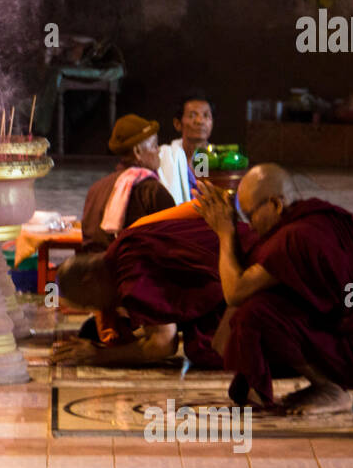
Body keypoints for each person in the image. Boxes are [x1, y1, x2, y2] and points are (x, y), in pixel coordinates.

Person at [193, 164, 353, 415]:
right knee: (254, 308)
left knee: (255, 314)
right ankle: (319, 381)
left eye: (250, 216)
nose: (250, 226)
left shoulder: (297, 237)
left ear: (276, 205)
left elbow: (235, 291)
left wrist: (225, 233)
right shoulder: (308, 223)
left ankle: (331, 388)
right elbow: (348, 289)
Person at [51, 213, 256, 369]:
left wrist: (98, 355)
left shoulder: (129, 276)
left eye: (89, 303)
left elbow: (163, 344)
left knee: (204, 349)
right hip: (243, 256)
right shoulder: (125, 242)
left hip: (249, 274)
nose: (97, 309)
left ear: (89, 281)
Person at [79, 114, 175, 253]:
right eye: (154, 146)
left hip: (94, 271)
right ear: (137, 152)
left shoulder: (96, 188)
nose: (158, 150)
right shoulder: (152, 190)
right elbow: (173, 240)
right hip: (134, 272)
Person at [157, 93, 214, 204]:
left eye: (206, 115)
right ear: (177, 123)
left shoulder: (215, 158)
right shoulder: (166, 156)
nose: (200, 121)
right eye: (192, 115)